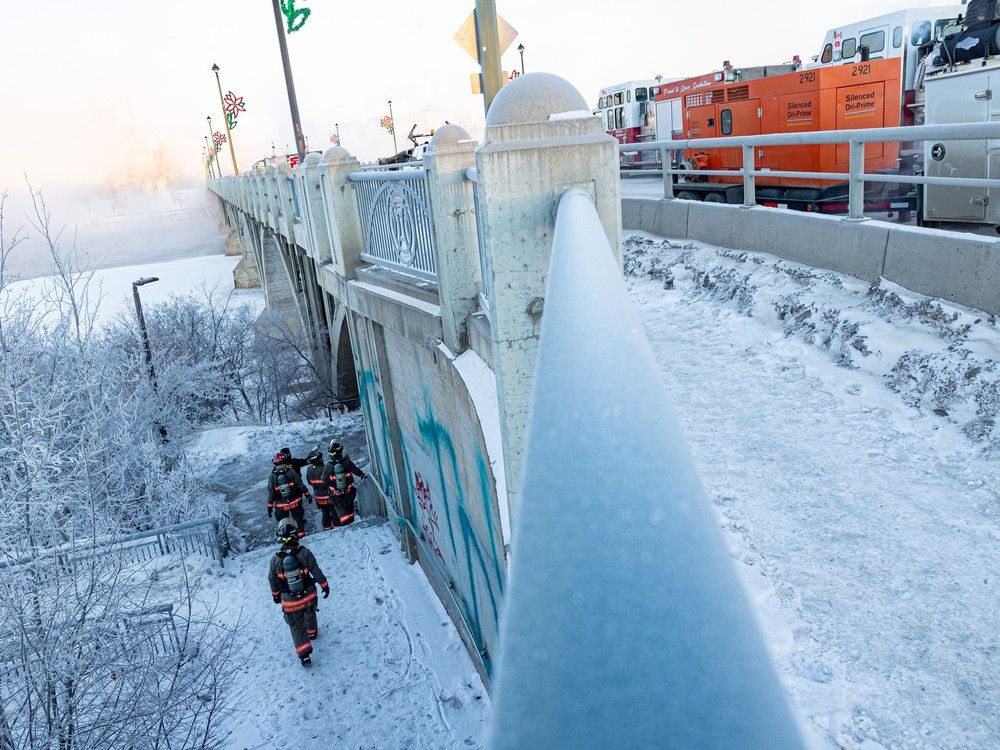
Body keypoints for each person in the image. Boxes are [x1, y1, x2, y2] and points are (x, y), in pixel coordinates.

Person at [268, 518, 329, 666]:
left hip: (290, 602)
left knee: (296, 626)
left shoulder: (275, 559)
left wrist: (276, 595)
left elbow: (272, 579)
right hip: (308, 595)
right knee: (310, 612)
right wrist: (324, 585)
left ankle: (304, 655)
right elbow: (315, 570)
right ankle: (312, 632)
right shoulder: (305, 553)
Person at [267, 451, 311, 537]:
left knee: (283, 522)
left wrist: (269, 507)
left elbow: (271, 492)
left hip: (281, 505)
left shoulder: (272, 476)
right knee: (298, 520)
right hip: (295, 502)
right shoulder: (291, 471)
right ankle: (301, 536)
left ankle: (287, 538)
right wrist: (307, 494)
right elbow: (300, 485)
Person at [323, 441, 366, 526]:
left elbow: (324, 479)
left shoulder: (328, 466)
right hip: (348, 492)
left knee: (341, 511)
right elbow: (356, 471)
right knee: (350, 510)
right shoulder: (347, 462)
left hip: (335, 494)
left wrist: (333, 488)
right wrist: (363, 475)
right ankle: (352, 526)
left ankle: (346, 527)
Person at [304, 445, 337, 531]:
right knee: (333, 511)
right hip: (329, 495)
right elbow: (332, 481)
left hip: (319, 497)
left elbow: (309, 482)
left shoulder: (309, 469)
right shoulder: (325, 468)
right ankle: (337, 527)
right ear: (318, 459)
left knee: (325, 513)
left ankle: (327, 529)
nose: (322, 459)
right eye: (321, 458)